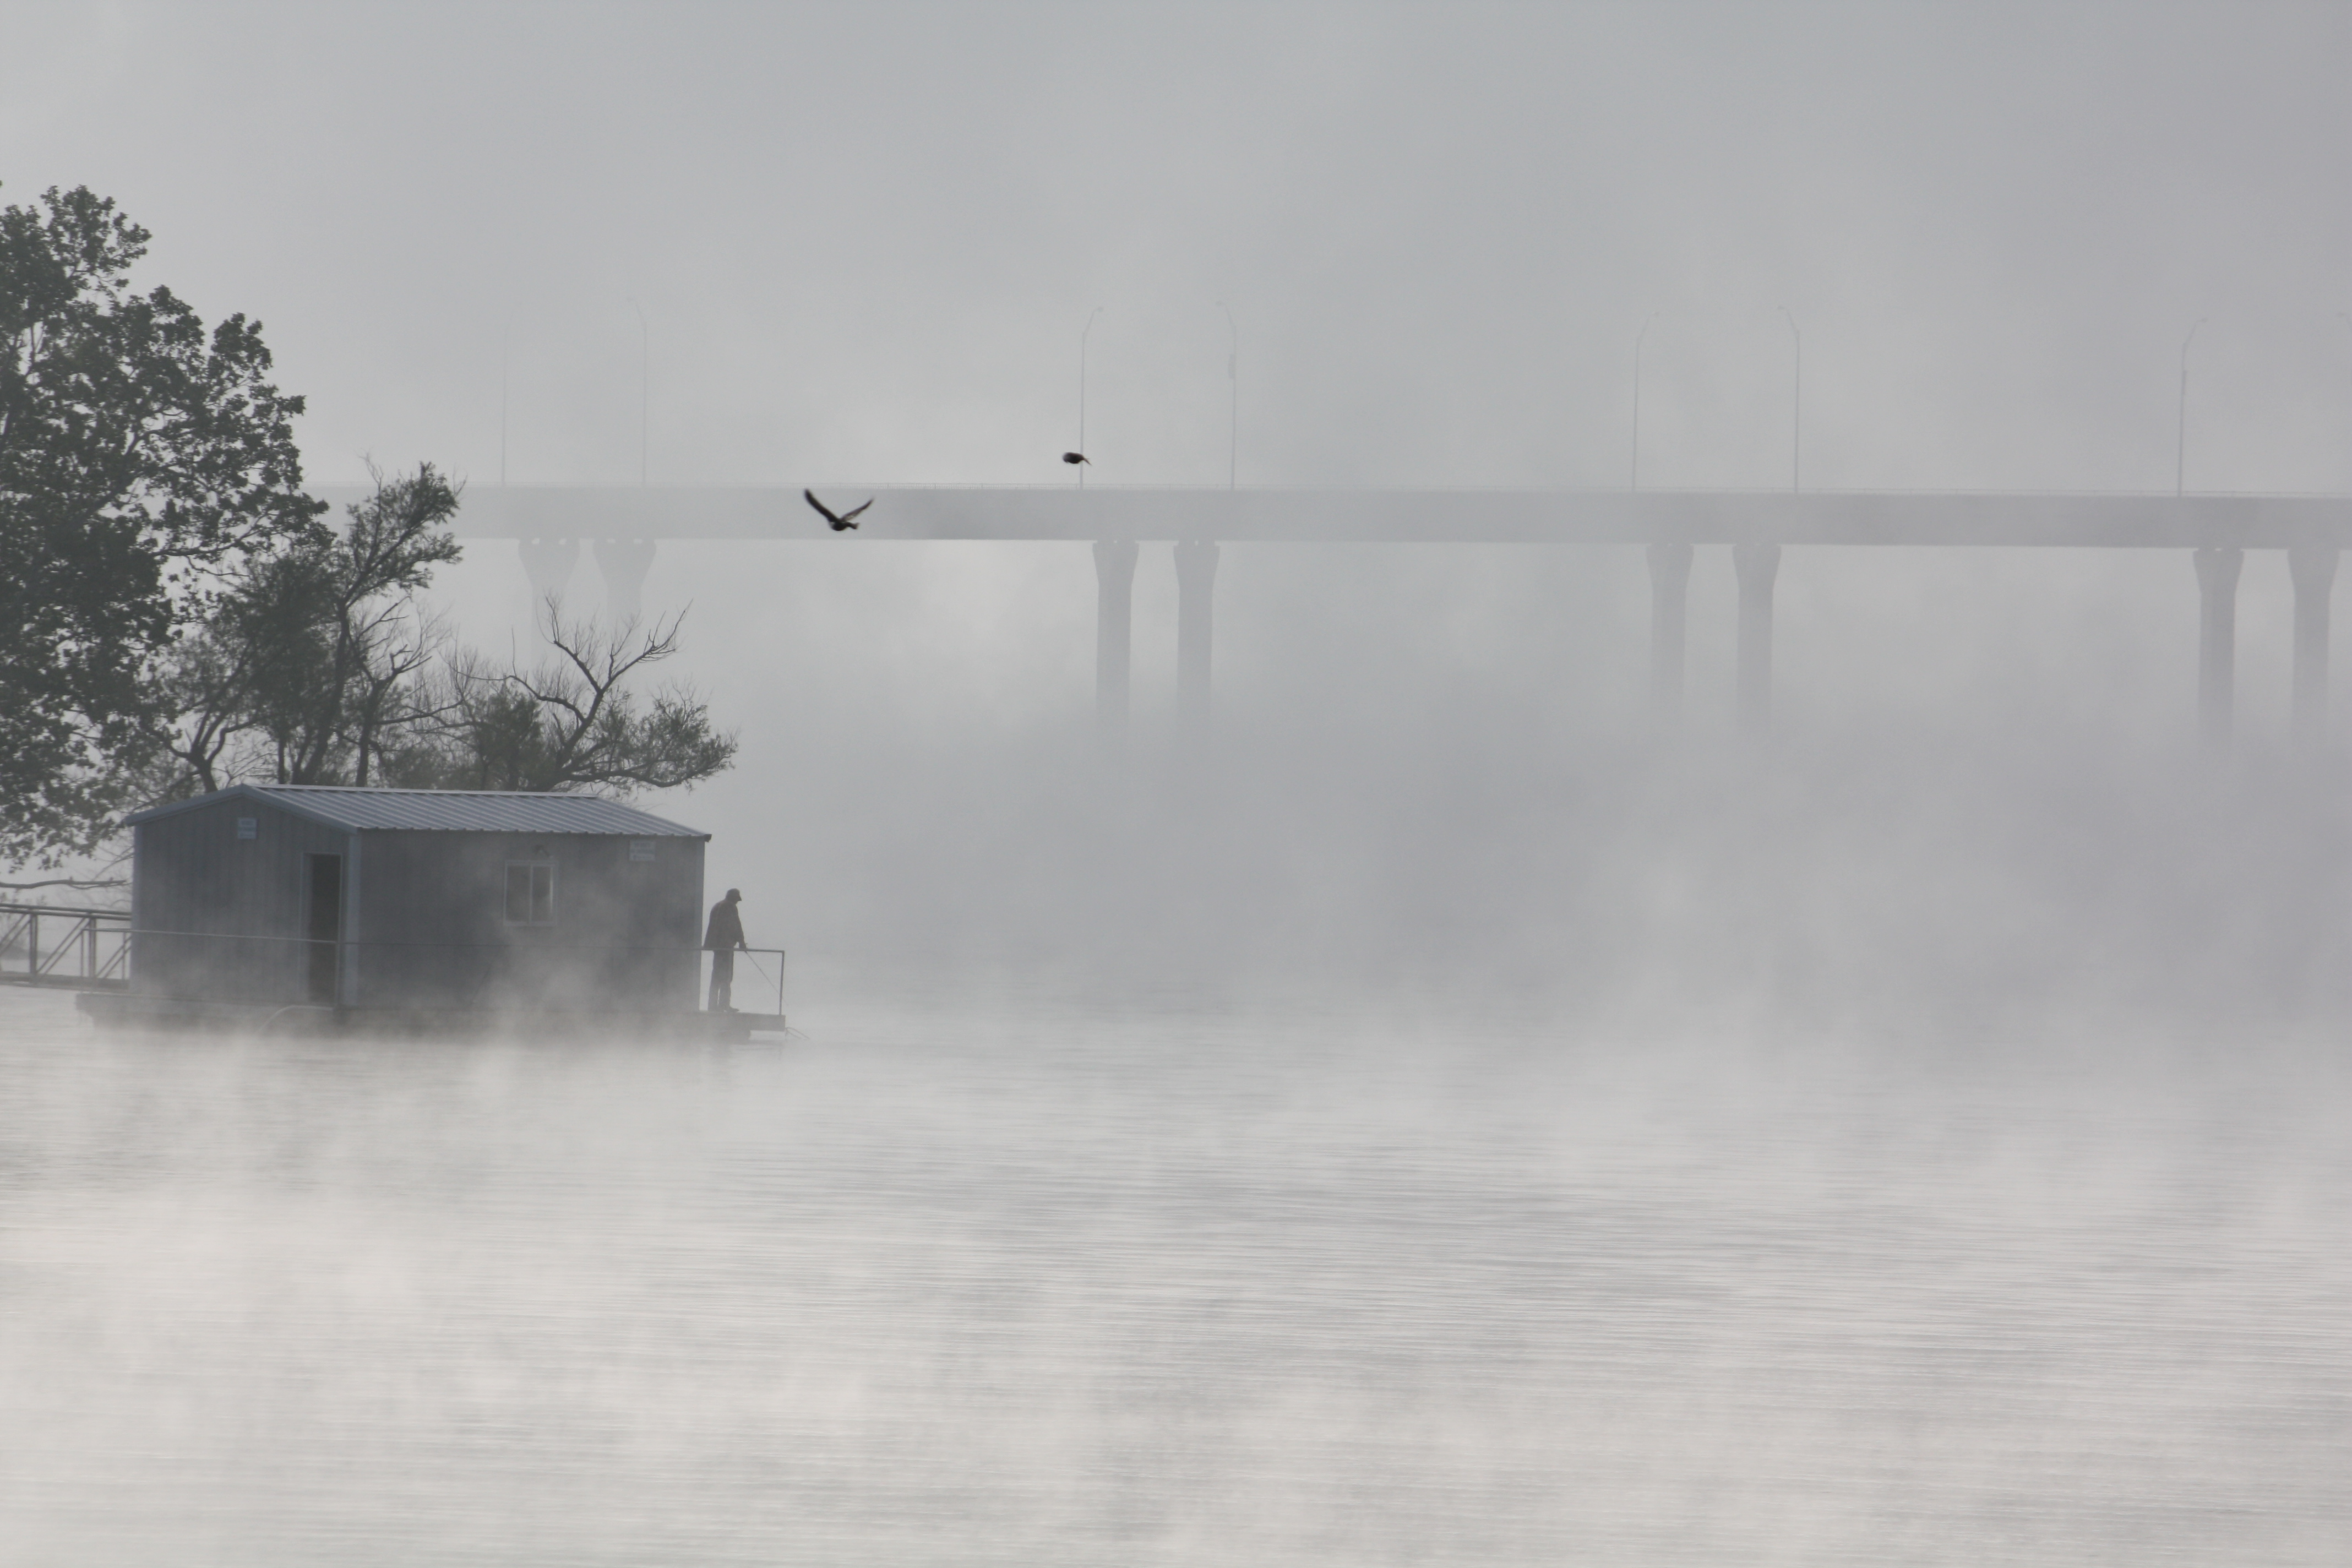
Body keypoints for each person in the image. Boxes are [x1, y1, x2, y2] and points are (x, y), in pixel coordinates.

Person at [703, 888, 747, 1011]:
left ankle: (712, 1006)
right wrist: (742, 942)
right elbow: (736, 925)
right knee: (726, 977)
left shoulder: (717, 906)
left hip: (717, 947)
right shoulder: (730, 907)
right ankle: (723, 1004)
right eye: (737, 899)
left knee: (716, 976)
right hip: (726, 947)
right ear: (733, 898)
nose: (737, 902)